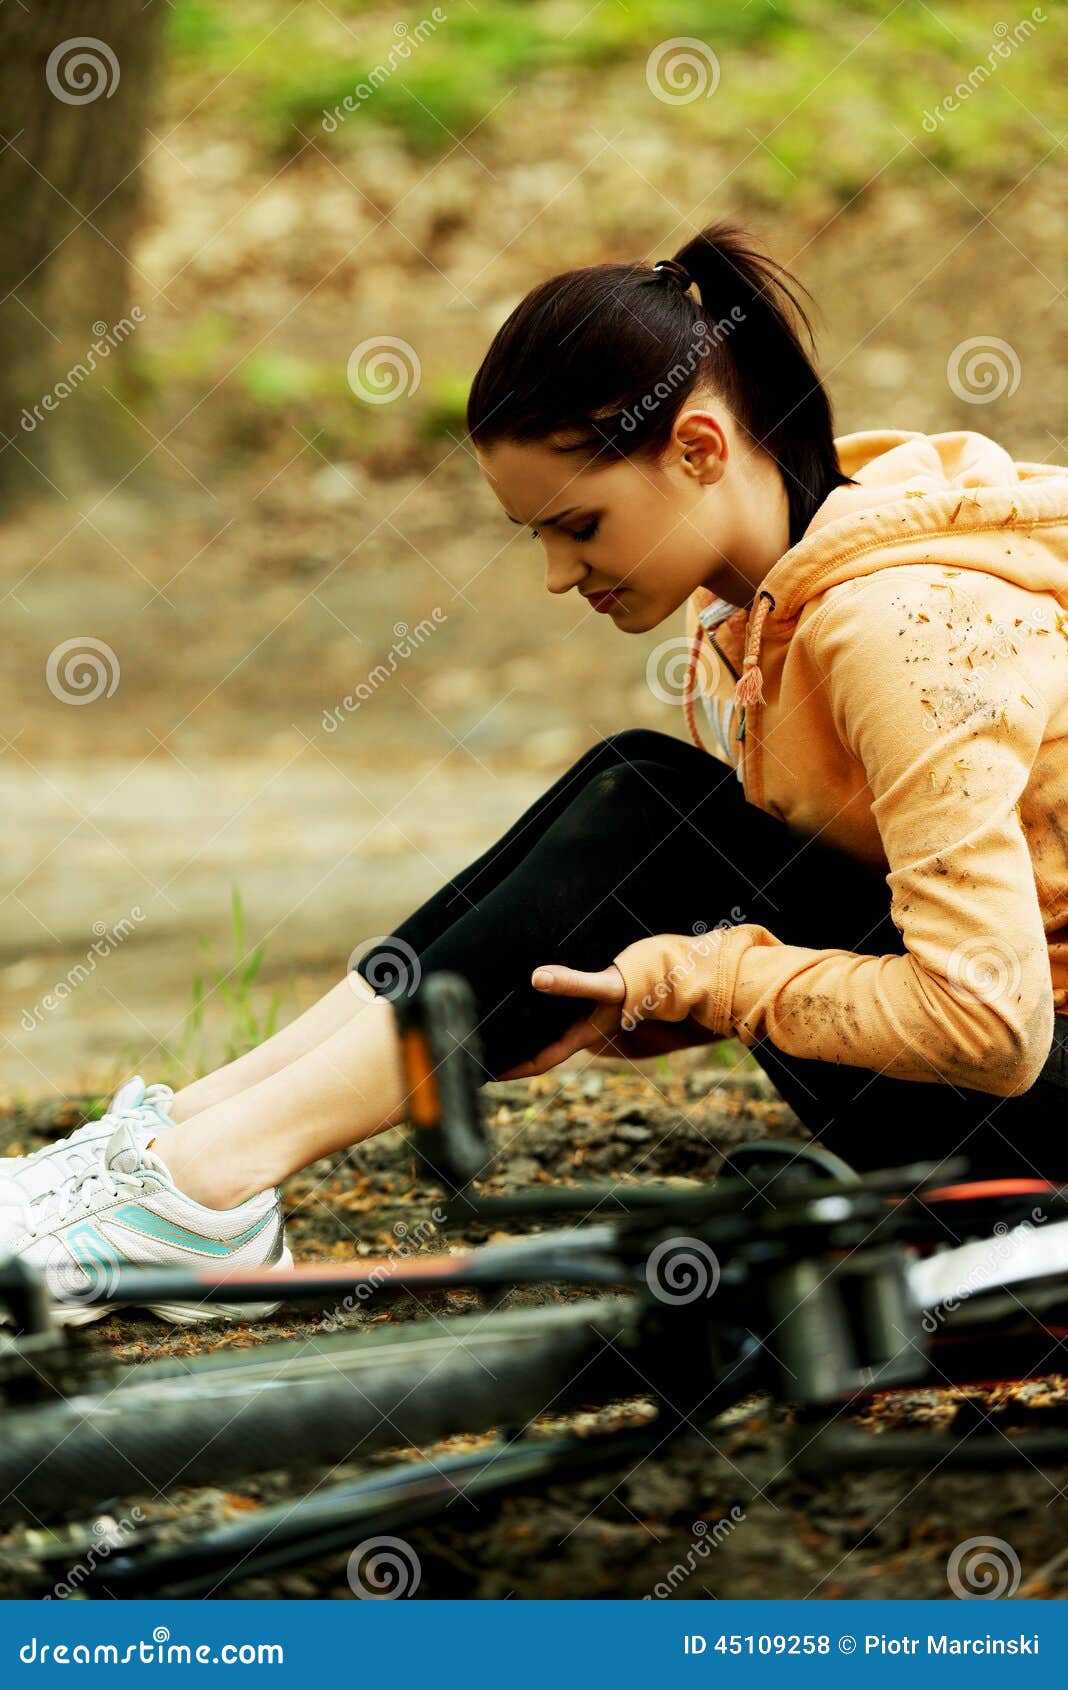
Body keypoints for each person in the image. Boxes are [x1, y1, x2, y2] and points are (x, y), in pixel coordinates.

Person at [4, 222, 1068, 1325]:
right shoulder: (752, 613)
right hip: (1010, 1098)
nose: (561, 574)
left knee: (652, 827)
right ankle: (181, 1140)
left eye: (579, 525)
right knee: (638, 784)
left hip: (1039, 1144)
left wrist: (701, 978)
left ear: (700, 450)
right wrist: (667, 985)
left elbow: (988, 1024)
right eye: (538, 536)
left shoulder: (904, 628)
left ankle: (208, 1182)